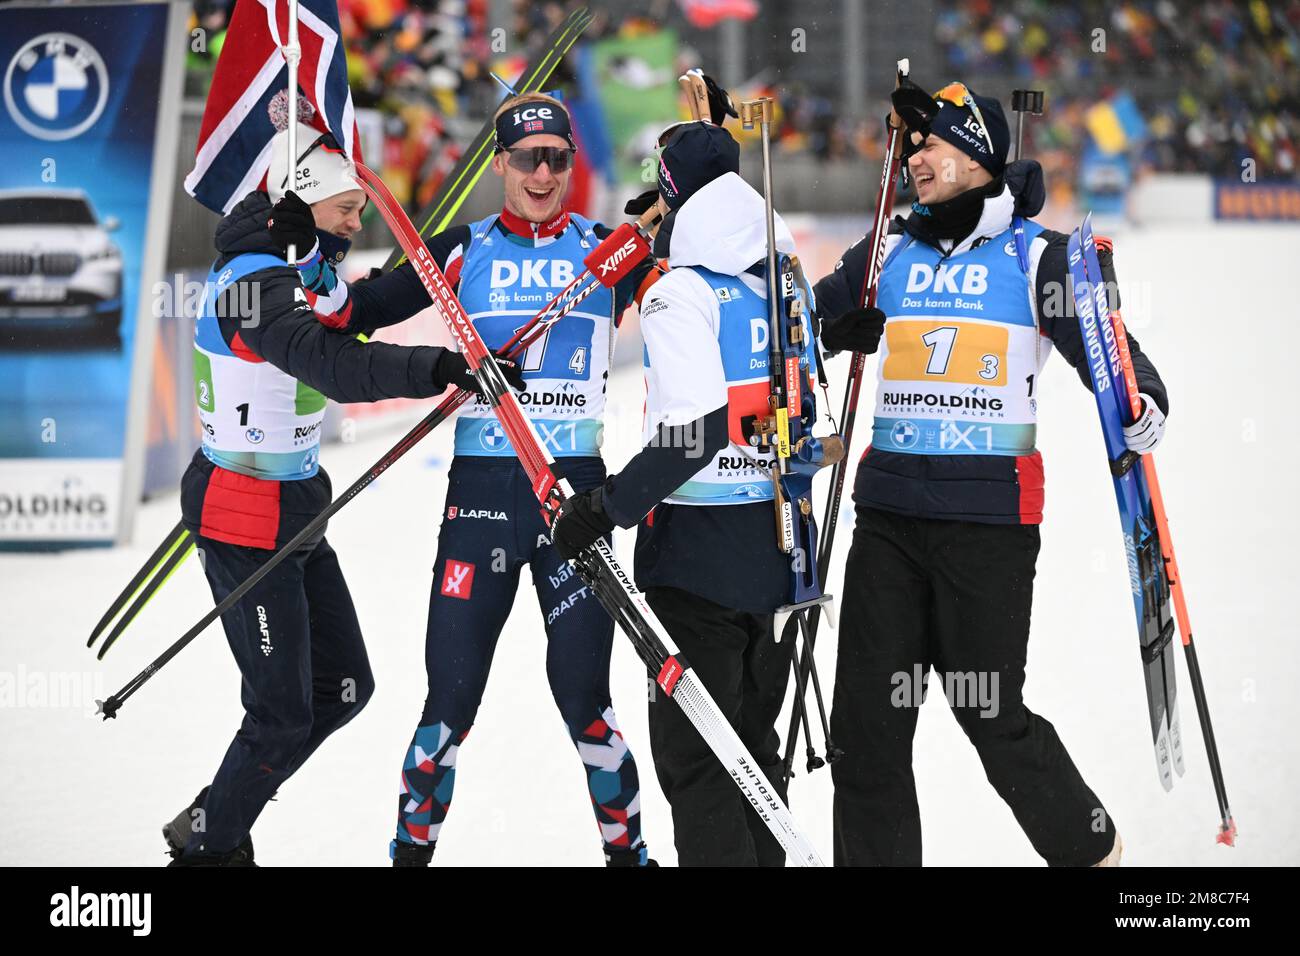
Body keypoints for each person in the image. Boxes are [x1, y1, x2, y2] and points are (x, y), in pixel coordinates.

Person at [285, 92, 657, 866]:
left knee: (587, 703)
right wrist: (308, 248)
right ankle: (408, 856)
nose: (544, 173)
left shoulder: (611, 250)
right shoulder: (458, 250)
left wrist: (689, 197)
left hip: (574, 505)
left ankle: (632, 859)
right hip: (482, 500)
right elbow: (351, 312)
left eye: (558, 157)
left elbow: (710, 296)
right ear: (501, 164)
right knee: (449, 705)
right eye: (528, 158)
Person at [812, 80, 1170, 866]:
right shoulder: (887, 249)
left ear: (976, 153)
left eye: (930, 144)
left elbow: (1111, 354)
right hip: (889, 522)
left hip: (989, 527)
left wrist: (1146, 401)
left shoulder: (1036, 255)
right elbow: (804, 330)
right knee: (866, 731)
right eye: (910, 146)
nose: (913, 159)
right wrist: (834, 324)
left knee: (990, 714)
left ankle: (1091, 850)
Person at [164, 121, 522, 866]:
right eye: (347, 209)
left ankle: (214, 815)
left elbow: (363, 301)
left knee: (347, 688)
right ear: (306, 203)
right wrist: (438, 366)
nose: (358, 222)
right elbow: (333, 365)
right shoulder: (254, 285)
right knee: (281, 715)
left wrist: (472, 240)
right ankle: (211, 847)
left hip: (295, 509)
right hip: (241, 512)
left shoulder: (302, 269)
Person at [552, 121, 820, 866]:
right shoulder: (778, 280)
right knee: (755, 759)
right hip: (782, 548)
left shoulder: (679, 293)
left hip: (697, 556)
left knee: (699, 763)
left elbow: (694, 431)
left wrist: (607, 506)